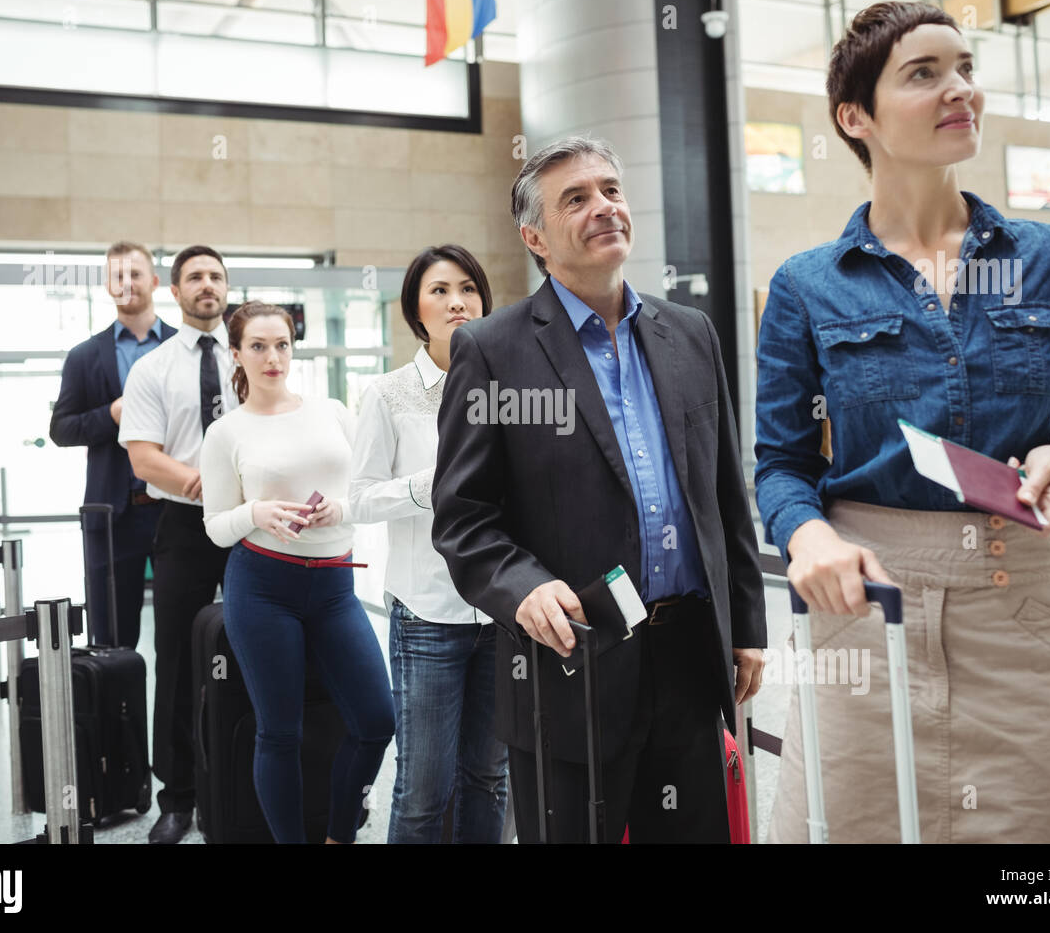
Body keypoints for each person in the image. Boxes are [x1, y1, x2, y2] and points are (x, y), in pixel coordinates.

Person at [754, 1, 1050, 843]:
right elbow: (779, 462)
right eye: (924, 74)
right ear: (856, 118)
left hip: (1016, 604)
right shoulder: (809, 285)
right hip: (866, 600)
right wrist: (804, 534)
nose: (959, 89)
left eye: (965, 68)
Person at [431, 136, 767, 843]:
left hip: (688, 656)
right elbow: (464, 518)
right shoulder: (495, 351)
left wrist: (747, 627)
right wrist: (521, 585)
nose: (603, 207)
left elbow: (723, 497)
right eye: (575, 199)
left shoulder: (691, 334)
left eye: (610, 190)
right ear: (536, 239)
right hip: (569, 665)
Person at [200, 301, 394, 844]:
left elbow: (367, 488)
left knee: (378, 720)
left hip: (335, 585)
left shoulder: (331, 411)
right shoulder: (227, 433)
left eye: (281, 344)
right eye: (257, 347)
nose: (272, 357)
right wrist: (256, 513)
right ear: (236, 353)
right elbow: (216, 526)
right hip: (262, 586)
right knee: (280, 731)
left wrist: (343, 508)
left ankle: (338, 835)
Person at [349, 244, 508, 844]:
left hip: (500, 611)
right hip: (426, 616)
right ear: (416, 310)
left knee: (489, 779)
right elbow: (360, 498)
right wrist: (430, 486)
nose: (456, 301)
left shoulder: (505, 388)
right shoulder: (387, 395)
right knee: (422, 794)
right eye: (439, 290)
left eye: (467, 288)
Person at [118, 244, 238, 843]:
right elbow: (144, 459)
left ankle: (247, 780)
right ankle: (179, 797)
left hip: (252, 526)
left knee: (262, 651)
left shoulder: (255, 356)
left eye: (216, 276)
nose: (207, 285)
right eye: (195, 277)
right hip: (186, 527)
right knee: (178, 660)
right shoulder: (153, 369)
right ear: (175, 289)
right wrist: (208, 483)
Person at [50, 241, 175, 649]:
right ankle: (119, 715)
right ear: (107, 286)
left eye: (135, 274)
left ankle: (186, 716)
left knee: (182, 633)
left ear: (154, 281)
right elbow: (62, 428)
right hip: (111, 517)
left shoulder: (185, 348)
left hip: (177, 512)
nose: (127, 283)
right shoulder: (85, 356)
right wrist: (113, 414)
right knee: (112, 640)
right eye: (117, 276)